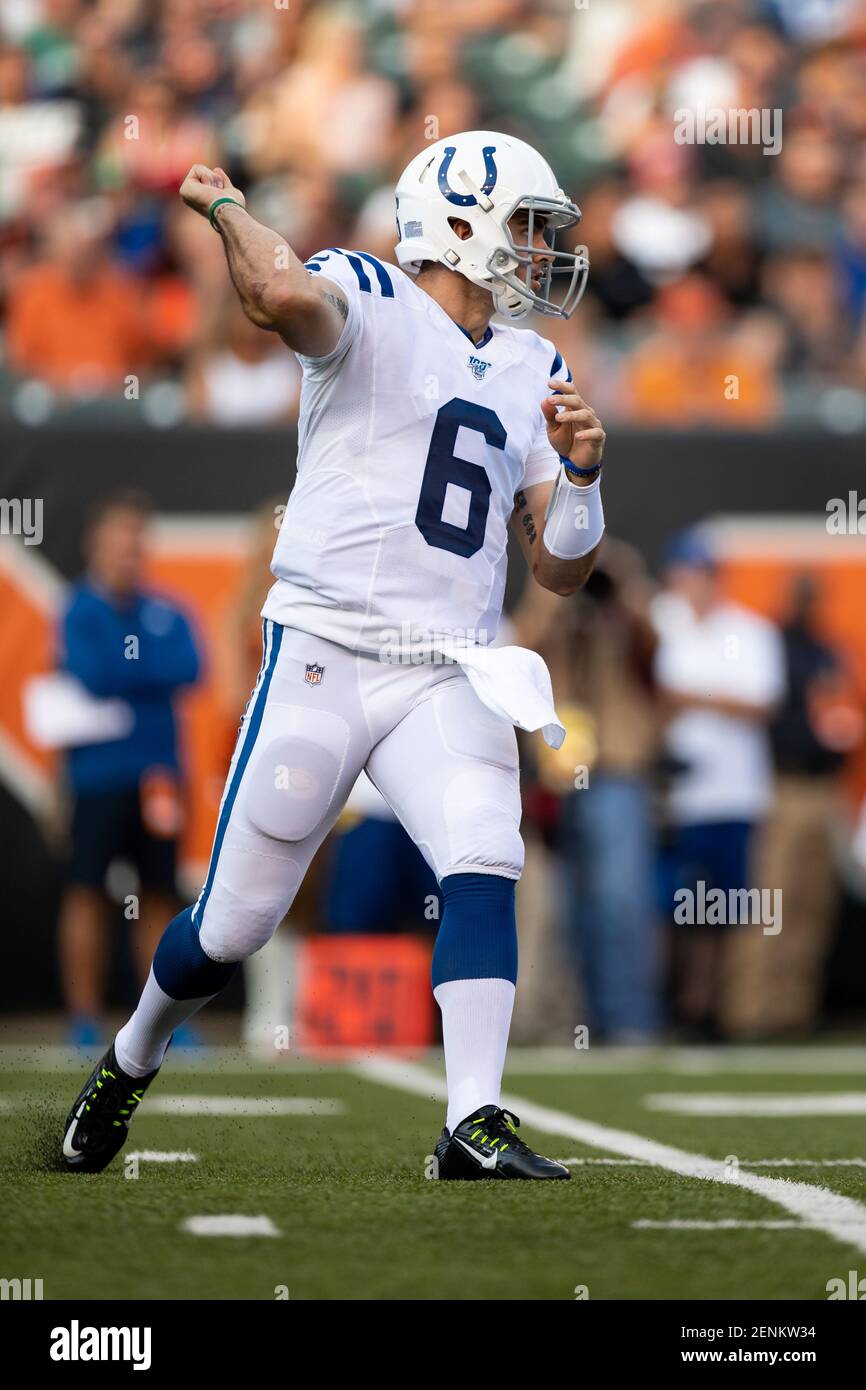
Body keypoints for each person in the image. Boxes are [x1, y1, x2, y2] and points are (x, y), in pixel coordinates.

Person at [61, 130, 603, 1181]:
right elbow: (277, 294)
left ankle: (472, 1120)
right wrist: (226, 207)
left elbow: (560, 572)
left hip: (447, 662)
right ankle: (131, 1055)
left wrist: (580, 476)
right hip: (328, 649)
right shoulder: (370, 293)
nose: (541, 248)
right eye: (527, 225)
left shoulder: (536, 362)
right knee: (231, 927)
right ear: (459, 221)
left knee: (485, 854)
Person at [57, 490, 201, 1045]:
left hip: (159, 778)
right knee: (87, 890)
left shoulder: (166, 610)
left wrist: (128, 672)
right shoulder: (79, 608)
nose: (128, 553)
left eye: (135, 542)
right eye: (118, 542)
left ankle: (159, 1023)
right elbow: (91, 673)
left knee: (160, 895)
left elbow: (190, 667)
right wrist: (146, 675)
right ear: (95, 547)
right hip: (97, 776)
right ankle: (84, 1017)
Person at [653, 530, 786, 1039]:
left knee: (726, 907)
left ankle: (718, 1010)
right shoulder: (663, 623)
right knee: (674, 906)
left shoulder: (748, 631)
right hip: (674, 796)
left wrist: (688, 697)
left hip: (732, 793)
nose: (691, 584)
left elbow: (761, 705)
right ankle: (681, 1005)